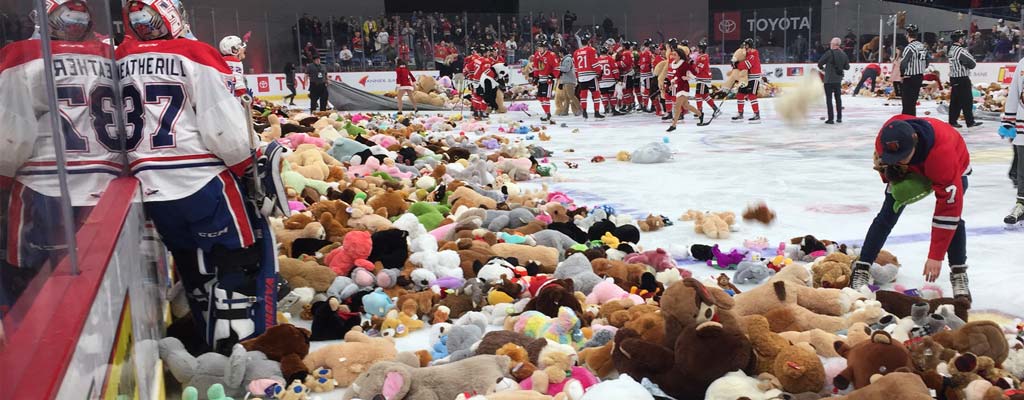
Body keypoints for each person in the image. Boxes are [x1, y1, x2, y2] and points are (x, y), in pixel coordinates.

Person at [120, 0, 286, 352]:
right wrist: (249, 168)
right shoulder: (195, 53)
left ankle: (201, 339)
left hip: (149, 187)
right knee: (238, 261)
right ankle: (239, 355)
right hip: (202, 180)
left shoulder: (117, 59)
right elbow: (224, 130)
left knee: (192, 266)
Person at [0, 0, 113, 300]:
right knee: (100, 279)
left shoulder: (24, 57)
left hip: (44, 185)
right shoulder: (109, 55)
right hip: (105, 183)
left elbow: (13, 135)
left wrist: (4, 177)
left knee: (34, 286)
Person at [849, 115, 972, 303]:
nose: (897, 160)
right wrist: (890, 174)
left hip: (952, 163)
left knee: (955, 220)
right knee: (887, 214)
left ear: (914, 142)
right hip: (915, 167)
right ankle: (862, 267)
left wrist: (935, 256)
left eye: (901, 157)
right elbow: (884, 165)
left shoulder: (943, 156)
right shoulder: (886, 139)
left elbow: (948, 210)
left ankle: (959, 273)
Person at [999, 54, 1024, 227]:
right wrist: (1009, 122)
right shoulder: (1023, 64)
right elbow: (1014, 93)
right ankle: (1021, 203)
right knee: (1023, 167)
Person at [948, 30, 981, 129]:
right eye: (962, 37)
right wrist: (967, 64)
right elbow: (972, 63)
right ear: (959, 39)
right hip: (962, 78)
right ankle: (970, 121)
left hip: (953, 78)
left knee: (955, 101)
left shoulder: (951, 49)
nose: (963, 39)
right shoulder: (960, 50)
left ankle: (952, 121)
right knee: (967, 100)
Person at [666, 46, 702, 132]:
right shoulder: (675, 65)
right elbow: (676, 77)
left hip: (684, 87)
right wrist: (672, 83)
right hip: (678, 87)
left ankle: (674, 125)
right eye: (673, 54)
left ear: (679, 56)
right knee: (686, 105)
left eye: (675, 54)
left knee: (677, 106)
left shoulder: (685, 64)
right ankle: (700, 114)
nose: (673, 56)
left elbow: (694, 73)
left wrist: (688, 77)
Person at [818, 37, 850, 124]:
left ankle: (831, 119)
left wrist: (823, 69)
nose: (830, 45)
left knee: (829, 99)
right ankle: (839, 118)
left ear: (833, 44)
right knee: (838, 98)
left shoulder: (829, 53)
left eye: (831, 43)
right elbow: (847, 67)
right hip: (838, 80)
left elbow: (820, 63)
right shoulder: (843, 54)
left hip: (828, 80)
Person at [732, 38, 762, 123]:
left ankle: (756, 114)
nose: (744, 46)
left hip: (754, 78)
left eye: (746, 45)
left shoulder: (754, 53)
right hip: (746, 78)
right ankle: (740, 113)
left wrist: (737, 65)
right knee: (740, 94)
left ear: (749, 45)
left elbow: (747, 65)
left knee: (752, 95)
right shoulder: (746, 53)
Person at [573, 33, 603, 119]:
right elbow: (594, 63)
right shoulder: (591, 50)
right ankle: (596, 112)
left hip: (581, 76)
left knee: (583, 95)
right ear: (588, 42)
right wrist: (599, 72)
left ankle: (584, 112)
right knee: (596, 94)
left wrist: (577, 76)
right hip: (591, 75)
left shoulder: (576, 52)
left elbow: (576, 67)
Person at [900, 24, 928, 116]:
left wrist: (902, 74)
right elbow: (927, 61)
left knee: (907, 102)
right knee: (913, 101)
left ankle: (907, 120)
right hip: (919, 76)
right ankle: (912, 118)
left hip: (910, 77)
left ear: (907, 34)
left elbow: (904, 63)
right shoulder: (922, 46)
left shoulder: (910, 47)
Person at [531, 41, 560, 122]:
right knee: (540, 97)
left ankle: (547, 113)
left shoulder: (551, 55)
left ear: (545, 48)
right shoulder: (537, 54)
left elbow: (556, 67)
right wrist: (535, 77)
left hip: (548, 80)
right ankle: (547, 112)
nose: (539, 49)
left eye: (540, 47)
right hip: (541, 79)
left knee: (545, 98)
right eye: (538, 47)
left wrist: (552, 76)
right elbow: (536, 67)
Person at [693, 40, 720, 126]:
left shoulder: (703, 57)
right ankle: (716, 109)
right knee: (705, 96)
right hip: (702, 79)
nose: (698, 49)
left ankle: (699, 112)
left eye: (699, 48)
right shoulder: (701, 56)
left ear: (702, 49)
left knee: (698, 96)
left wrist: (691, 64)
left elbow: (697, 70)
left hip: (702, 79)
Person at [596, 46, 620, 116]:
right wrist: (617, 78)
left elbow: (596, 71)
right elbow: (615, 70)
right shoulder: (610, 59)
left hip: (601, 82)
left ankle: (605, 109)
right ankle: (613, 109)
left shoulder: (597, 60)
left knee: (604, 96)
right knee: (612, 96)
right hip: (610, 81)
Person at [557, 49, 581, 116]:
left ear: (562, 53)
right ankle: (565, 111)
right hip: (565, 80)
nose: (559, 54)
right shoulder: (565, 59)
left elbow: (567, 69)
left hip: (569, 80)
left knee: (571, 96)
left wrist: (558, 68)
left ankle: (580, 109)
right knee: (566, 97)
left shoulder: (568, 59)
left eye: (559, 53)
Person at [618, 41, 637, 112]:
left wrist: (617, 64)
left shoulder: (625, 53)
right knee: (630, 90)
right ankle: (632, 103)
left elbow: (625, 63)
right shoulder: (630, 53)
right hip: (630, 73)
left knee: (625, 90)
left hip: (626, 74)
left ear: (624, 46)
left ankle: (628, 105)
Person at [638, 39, 655, 113]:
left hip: (644, 74)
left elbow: (641, 64)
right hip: (648, 74)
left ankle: (646, 105)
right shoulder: (647, 52)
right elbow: (646, 64)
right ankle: (645, 105)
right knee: (648, 90)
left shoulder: (643, 52)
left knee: (647, 89)